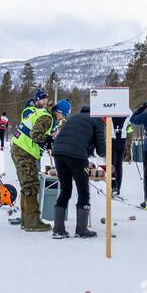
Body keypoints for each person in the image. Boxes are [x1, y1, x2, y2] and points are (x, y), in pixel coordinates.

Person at [46, 99, 100, 239]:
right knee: (83, 191)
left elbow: (74, 139)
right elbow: (101, 149)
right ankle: (81, 230)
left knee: (65, 190)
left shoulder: (73, 118)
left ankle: (58, 229)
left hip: (58, 153)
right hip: (76, 155)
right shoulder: (96, 120)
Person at [11, 90, 54, 233]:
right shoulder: (46, 117)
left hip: (21, 149)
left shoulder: (39, 113)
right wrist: (47, 139)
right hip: (24, 152)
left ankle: (26, 220)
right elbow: (35, 134)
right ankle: (32, 222)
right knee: (31, 184)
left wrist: (45, 142)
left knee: (27, 184)